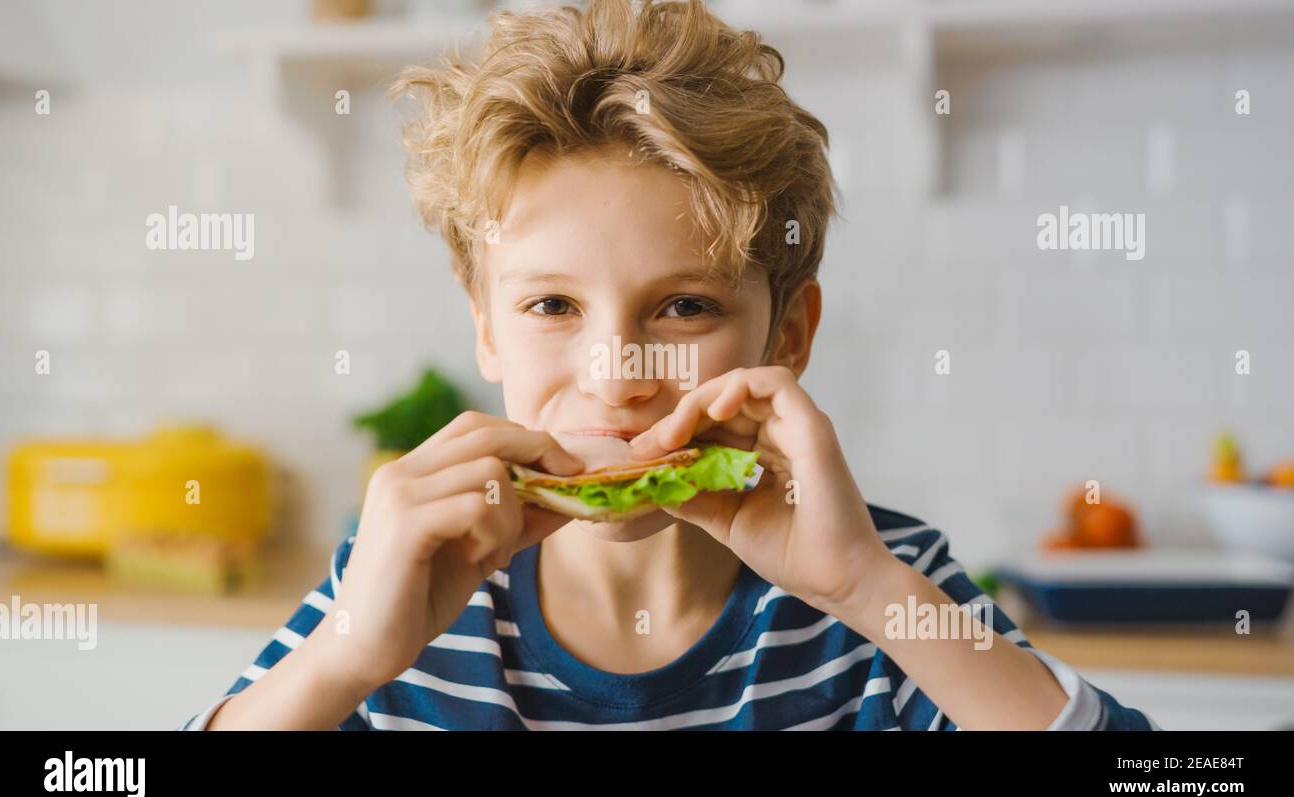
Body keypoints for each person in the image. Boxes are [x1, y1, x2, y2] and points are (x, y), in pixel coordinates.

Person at [184, 0, 1155, 731]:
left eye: (683, 305)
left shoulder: (888, 586)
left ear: (788, 335)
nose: (616, 374)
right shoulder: (395, 580)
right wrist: (348, 655)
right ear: (485, 327)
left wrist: (868, 590)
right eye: (552, 306)